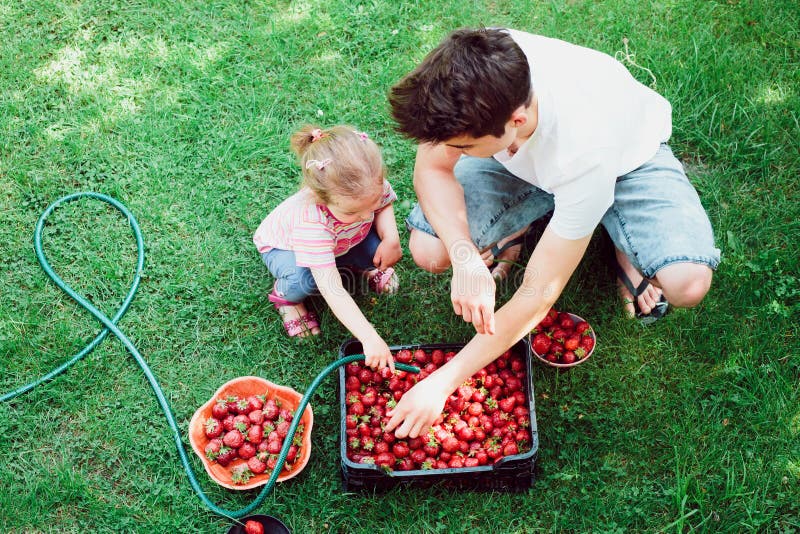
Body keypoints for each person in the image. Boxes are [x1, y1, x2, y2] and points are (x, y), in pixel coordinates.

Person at [384, 28, 720, 438]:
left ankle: (621, 240)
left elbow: (537, 295)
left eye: (463, 148)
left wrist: (443, 381)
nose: (456, 154)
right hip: (518, 158)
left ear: (517, 120)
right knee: (430, 250)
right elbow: (432, 168)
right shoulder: (478, 68)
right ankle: (526, 221)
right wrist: (463, 254)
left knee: (688, 283)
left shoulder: (585, 153)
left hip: (627, 163)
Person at [253, 125, 402, 370]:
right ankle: (285, 298)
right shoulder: (312, 224)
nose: (367, 215)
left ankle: (358, 264)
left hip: (342, 239)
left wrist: (391, 239)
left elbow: (383, 205)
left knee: (375, 246)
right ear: (321, 197)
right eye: (354, 211)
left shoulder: (369, 182)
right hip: (286, 249)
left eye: (370, 204)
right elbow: (333, 289)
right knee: (305, 282)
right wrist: (369, 337)